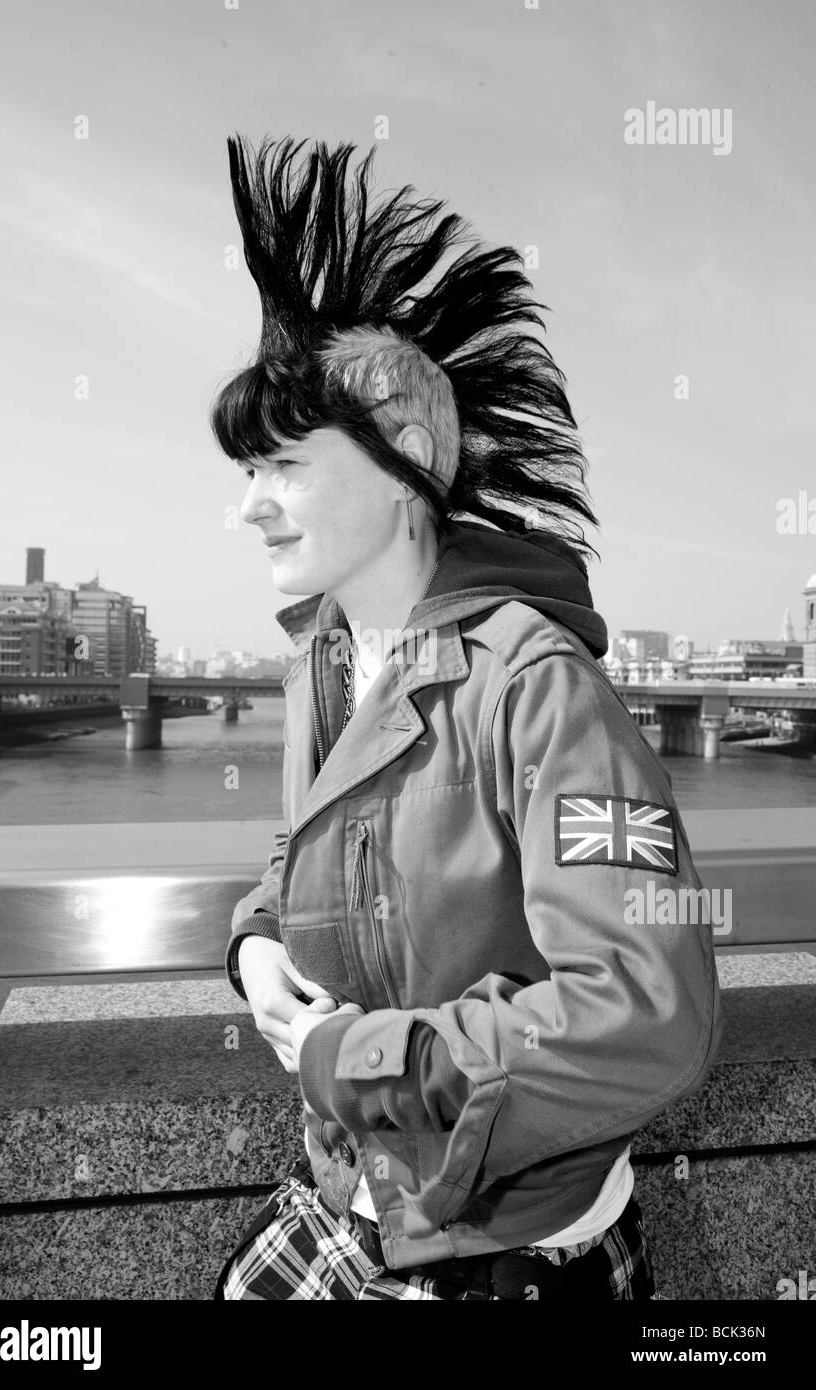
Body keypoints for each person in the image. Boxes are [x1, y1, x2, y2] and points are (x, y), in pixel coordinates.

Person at [209, 133, 723, 1300]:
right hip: (346, 1198)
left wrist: (359, 1059)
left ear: (400, 473)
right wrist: (252, 939)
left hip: (498, 1250)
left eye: (282, 464)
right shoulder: (326, 661)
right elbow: (316, 856)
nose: (248, 507)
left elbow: (647, 1013)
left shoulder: (534, 685)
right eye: (245, 472)